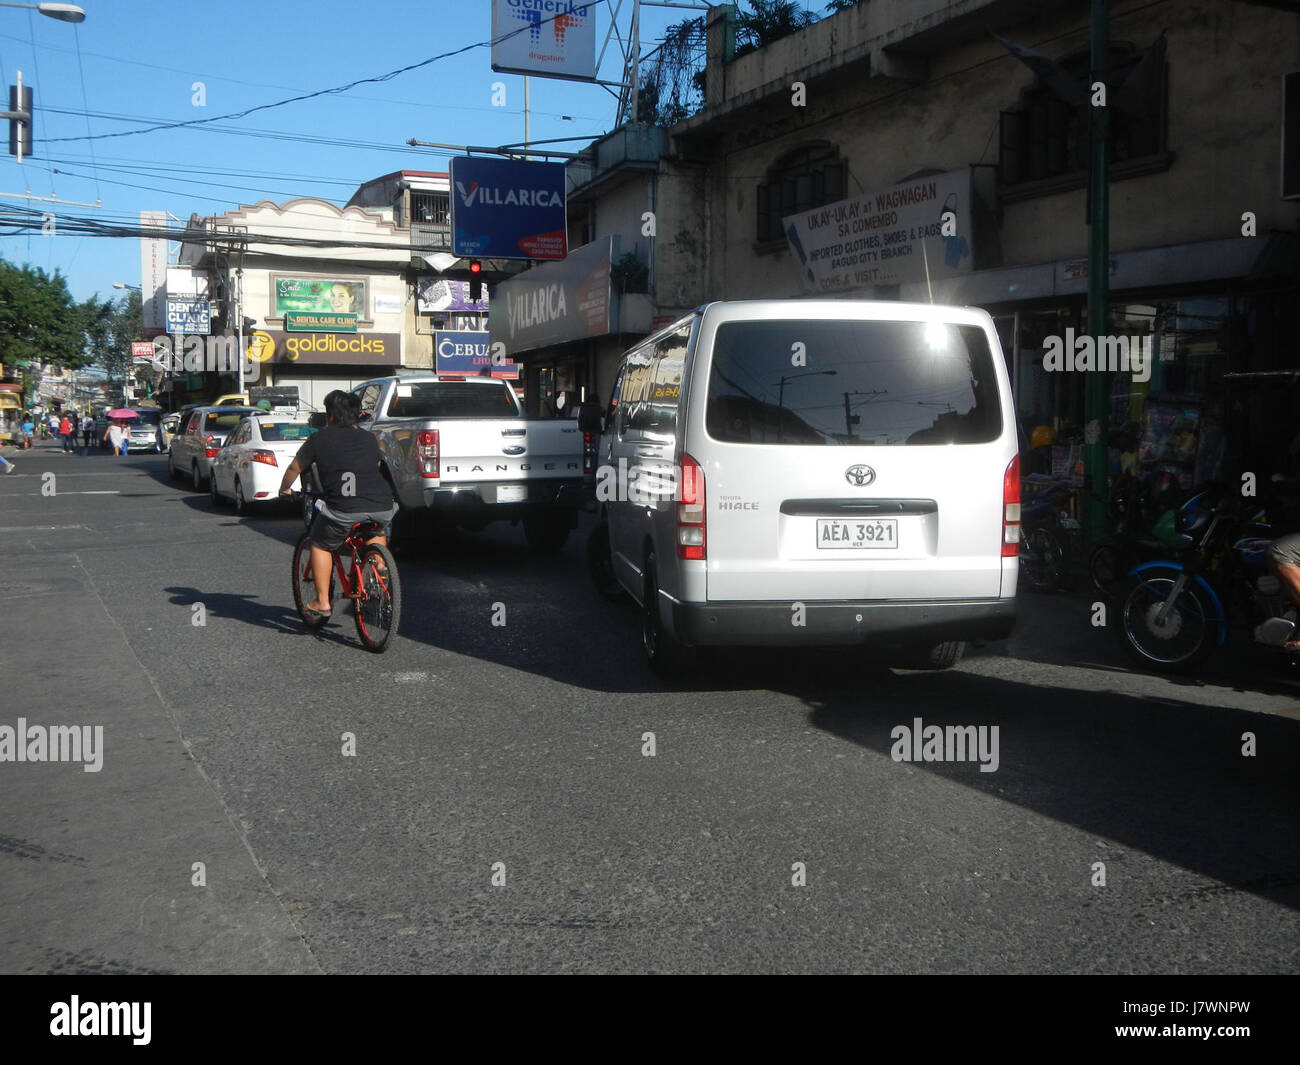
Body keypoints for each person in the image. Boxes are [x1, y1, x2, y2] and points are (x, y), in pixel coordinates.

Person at [277, 390, 396, 617]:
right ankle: (378, 564)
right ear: (356, 415)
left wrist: (284, 489)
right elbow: (377, 466)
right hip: (382, 504)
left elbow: (295, 468)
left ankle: (323, 602)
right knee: (375, 528)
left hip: (343, 509)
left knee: (321, 543)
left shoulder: (319, 439)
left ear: (330, 415)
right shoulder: (369, 438)